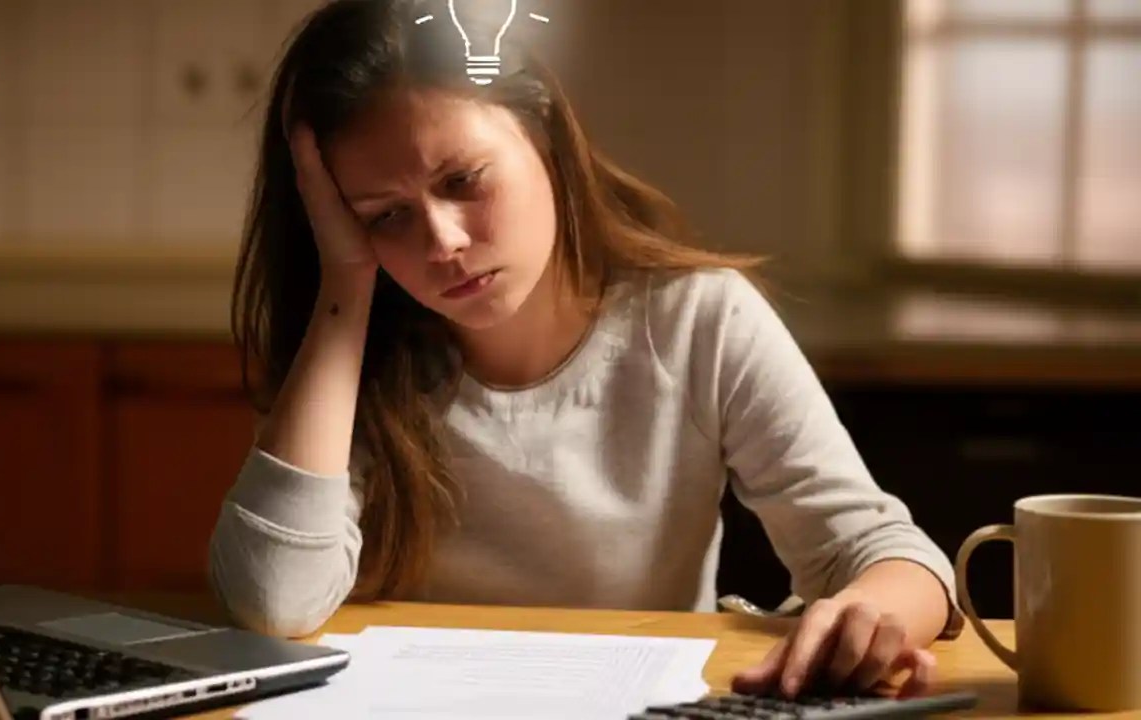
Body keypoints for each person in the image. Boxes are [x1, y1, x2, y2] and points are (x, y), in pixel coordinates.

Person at [209, 0, 963, 701]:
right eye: (385, 215)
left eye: (463, 180)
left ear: (543, 136)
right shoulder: (360, 354)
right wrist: (344, 285)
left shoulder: (696, 320)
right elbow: (275, 599)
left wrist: (868, 611)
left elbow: (885, 551)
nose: (443, 242)